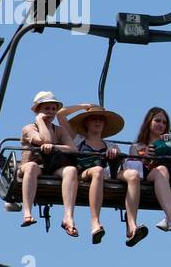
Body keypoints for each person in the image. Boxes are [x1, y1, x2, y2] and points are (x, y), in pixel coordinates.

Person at [65, 104, 143, 246]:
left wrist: (115, 153)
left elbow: (120, 163)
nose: (97, 122)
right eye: (93, 118)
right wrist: (82, 107)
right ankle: (95, 222)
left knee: (133, 175)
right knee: (98, 170)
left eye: (101, 119)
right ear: (86, 122)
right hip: (84, 173)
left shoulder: (110, 144)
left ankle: (132, 225)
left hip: (108, 175)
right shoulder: (77, 140)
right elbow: (60, 115)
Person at [18, 91, 83, 228]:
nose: (51, 112)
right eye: (47, 108)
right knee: (31, 167)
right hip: (34, 164)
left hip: (53, 166)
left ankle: (68, 217)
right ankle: (27, 212)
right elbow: (44, 140)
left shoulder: (59, 130)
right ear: (38, 110)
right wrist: (40, 120)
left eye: (54, 109)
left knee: (71, 170)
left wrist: (54, 147)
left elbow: (73, 149)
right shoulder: (29, 128)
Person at [126, 106, 171, 233]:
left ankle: (170, 216)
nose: (161, 124)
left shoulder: (170, 141)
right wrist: (144, 156)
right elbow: (133, 168)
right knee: (161, 169)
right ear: (149, 122)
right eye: (157, 121)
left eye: (164, 122)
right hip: (152, 174)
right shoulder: (137, 146)